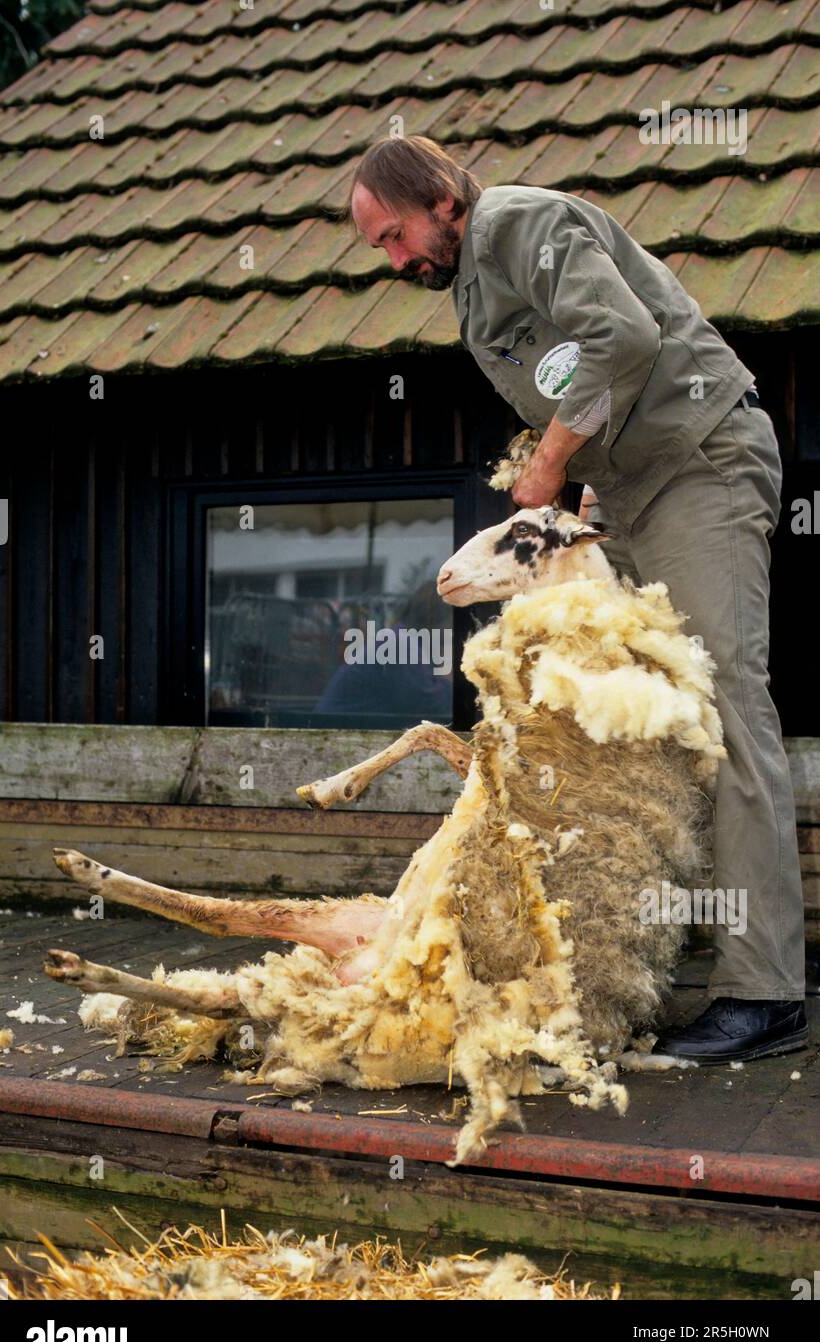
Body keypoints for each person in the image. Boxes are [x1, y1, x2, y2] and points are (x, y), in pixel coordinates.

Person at [344, 134, 807, 1064]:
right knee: (633, 727)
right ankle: (678, 954)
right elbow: (582, 394)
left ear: (440, 197)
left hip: (701, 465)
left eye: (394, 237)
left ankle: (765, 990)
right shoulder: (473, 292)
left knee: (720, 708)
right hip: (628, 496)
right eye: (382, 251)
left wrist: (547, 466)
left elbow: (625, 339)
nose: (395, 262)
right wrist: (583, 497)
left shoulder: (522, 223)